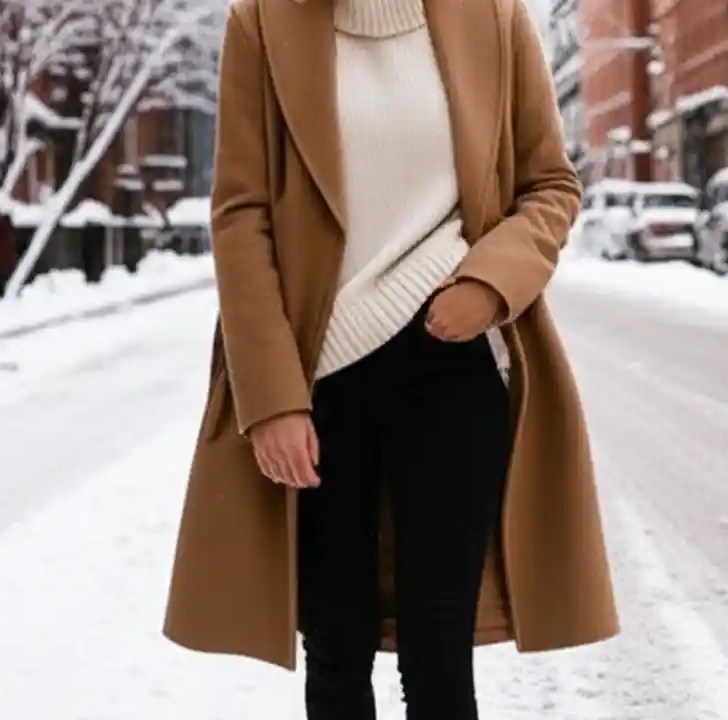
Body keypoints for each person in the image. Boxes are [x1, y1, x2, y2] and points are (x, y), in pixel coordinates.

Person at [164, 0, 619, 717]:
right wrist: (273, 396)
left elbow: (550, 185)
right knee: (337, 646)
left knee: (438, 647)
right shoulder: (262, 23)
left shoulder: (495, 18)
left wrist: (489, 282)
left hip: (452, 358)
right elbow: (241, 212)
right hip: (319, 372)